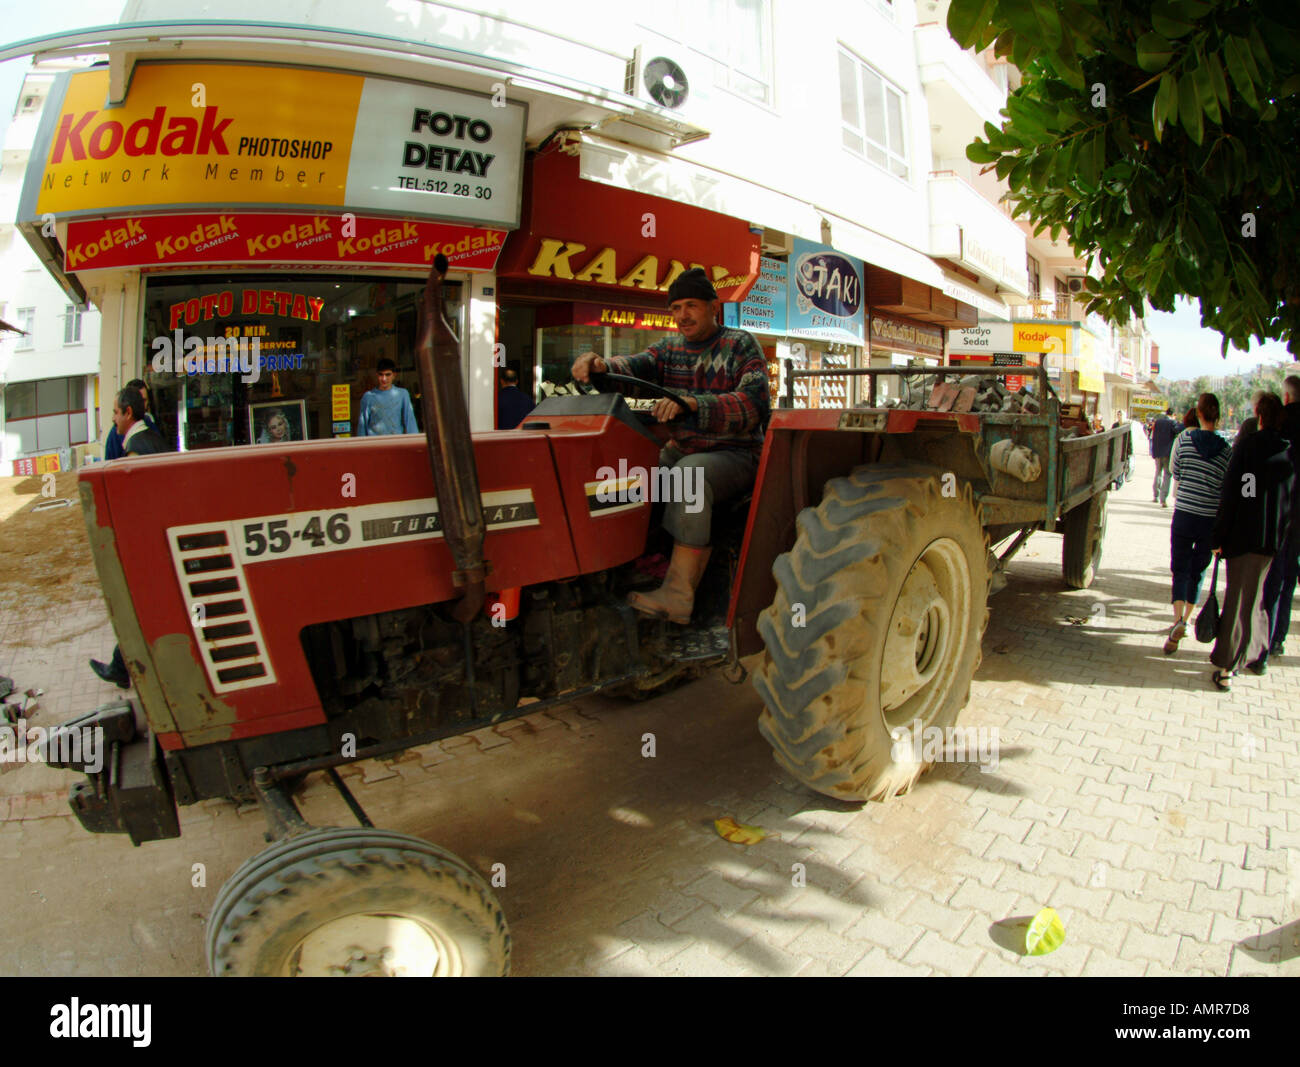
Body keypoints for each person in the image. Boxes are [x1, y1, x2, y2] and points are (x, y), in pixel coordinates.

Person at [571, 267, 769, 624]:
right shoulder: (669, 348)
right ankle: (630, 564)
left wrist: (694, 404)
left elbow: (754, 405)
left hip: (735, 453)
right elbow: (637, 367)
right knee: (624, 479)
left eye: (690, 305)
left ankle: (679, 593)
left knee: (688, 476)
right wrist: (601, 366)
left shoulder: (740, 344)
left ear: (713, 307)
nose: (681, 316)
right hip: (681, 449)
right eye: (675, 308)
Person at [1209, 392, 1296, 688]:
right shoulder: (1288, 452)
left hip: (1244, 536)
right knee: (1255, 599)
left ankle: (1227, 667)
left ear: (1258, 414)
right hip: (1271, 541)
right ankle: (1251, 653)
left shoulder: (1248, 448)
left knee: (1236, 599)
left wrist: (1219, 535)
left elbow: (1238, 493)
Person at [89, 388, 168, 688]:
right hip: (162, 538)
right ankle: (122, 666)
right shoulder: (153, 439)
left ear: (128, 414)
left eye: (114, 412)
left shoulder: (135, 449)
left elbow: (134, 507)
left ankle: (123, 669)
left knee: (137, 611)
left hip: (150, 545)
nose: (113, 419)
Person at [1163, 392, 1231, 655]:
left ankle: (1177, 620)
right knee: (1198, 570)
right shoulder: (1227, 450)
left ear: (1198, 413)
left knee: (1179, 567)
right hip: (1209, 521)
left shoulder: (1184, 440)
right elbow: (1229, 487)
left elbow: (1175, 471)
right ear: (1218, 416)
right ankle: (1188, 621)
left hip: (1184, 515)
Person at [1260, 375, 1300, 655]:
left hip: (1276, 511)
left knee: (1272, 578)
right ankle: (1278, 640)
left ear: (1285, 397)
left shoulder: (1281, 424)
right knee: (1288, 579)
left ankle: (1264, 637)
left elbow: (1251, 478)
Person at [357, 357, 417, 435]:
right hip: (374, 444)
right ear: (377, 375)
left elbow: (410, 422)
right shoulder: (368, 397)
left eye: (388, 374)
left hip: (395, 443)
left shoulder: (402, 394)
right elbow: (362, 427)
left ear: (394, 375)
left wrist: (414, 445)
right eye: (381, 374)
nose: (384, 379)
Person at [104, 378, 159, 458]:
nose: (140, 405)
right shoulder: (116, 432)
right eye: (137, 401)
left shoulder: (151, 427)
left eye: (144, 400)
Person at [1149, 406, 1179, 506]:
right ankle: (1163, 498)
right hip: (1167, 453)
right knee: (1167, 474)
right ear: (1173, 415)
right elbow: (1176, 434)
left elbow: (1153, 436)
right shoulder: (1173, 423)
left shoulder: (1158, 422)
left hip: (1157, 452)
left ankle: (1155, 495)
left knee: (1158, 472)